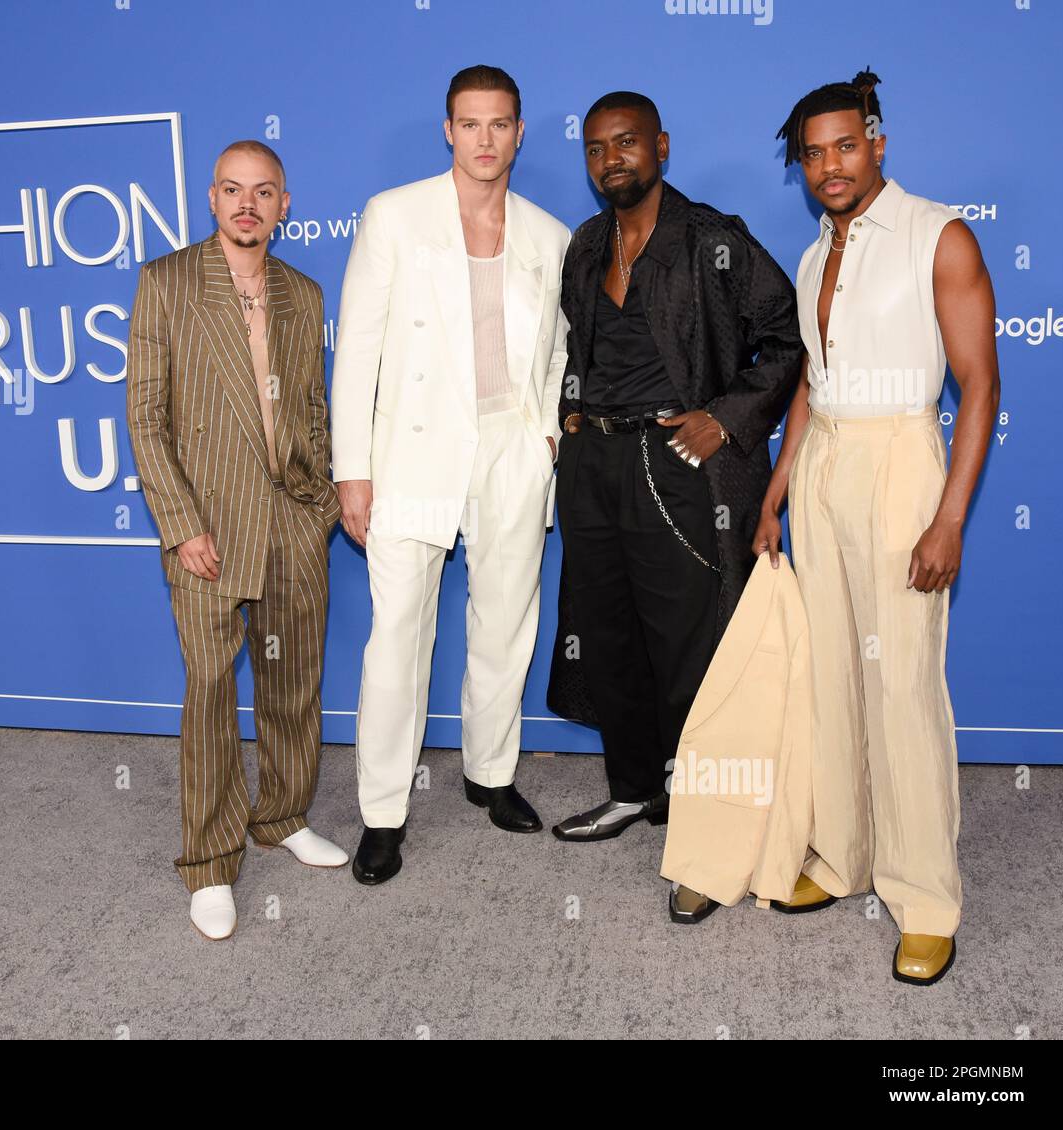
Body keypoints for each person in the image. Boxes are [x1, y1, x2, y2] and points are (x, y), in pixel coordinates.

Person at [703, 71, 997, 984]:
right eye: (813, 152)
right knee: (831, 673)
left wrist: (947, 516)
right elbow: (812, 382)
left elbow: (980, 388)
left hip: (901, 463)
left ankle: (925, 897)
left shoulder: (938, 235)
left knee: (901, 685)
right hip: (824, 463)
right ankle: (842, 856)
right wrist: (780, 484)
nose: (830, 165)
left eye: (846, 145)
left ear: (878, 143)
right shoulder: (809, 255)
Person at [332, 65, 570, 885]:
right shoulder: (395, 216)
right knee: (399, 637)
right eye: (470, 124)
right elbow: (357, 347)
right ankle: (383, 815)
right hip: (412, 453)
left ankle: (490, 775)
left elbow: (560, 352)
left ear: (520, 131)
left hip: (512, 446)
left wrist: (545, 438)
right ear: (447, 130)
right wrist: (351, 471)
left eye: (500, 124)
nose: (485, 140)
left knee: (507, 621)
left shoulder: (548, 234)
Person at [547, 92, 802, 846]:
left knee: (690, 646)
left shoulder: (712, 241)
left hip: (676, 464)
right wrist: (570, 414)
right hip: (594, 463)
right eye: (595, 148)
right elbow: (577, 350)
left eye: (625, 143)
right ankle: (633, 790)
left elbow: (787, 341)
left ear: (661, 146)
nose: (610, 160)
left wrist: (725, 419)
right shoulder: (589, 243)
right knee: (608, 634)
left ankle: (706, 827)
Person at [127, 141, 347, 941]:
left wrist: (319, 502)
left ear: (285, 204)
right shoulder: (168, 281)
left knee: (293, 681)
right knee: (213, 692)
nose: (246, 204)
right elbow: (146, 420)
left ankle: (282, 816)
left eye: (263, 191)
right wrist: (182, 525)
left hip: (292, 520)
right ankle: (211, 861)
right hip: (209, 529)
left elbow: (314, 409)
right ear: (211, 199)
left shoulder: (303, 291)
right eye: (232, 190)